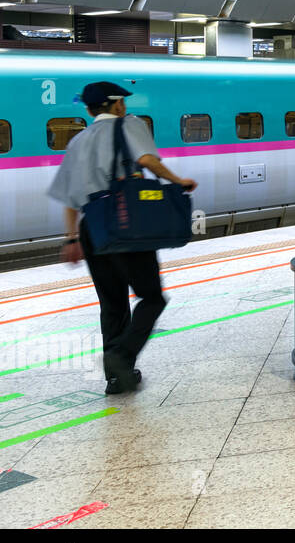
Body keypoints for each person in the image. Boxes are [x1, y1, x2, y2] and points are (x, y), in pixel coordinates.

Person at [46, 82, 198, 394]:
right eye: (122, 102)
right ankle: (120, 356)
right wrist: (179, 180)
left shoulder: (78, 140)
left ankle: (117, 379)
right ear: (116, 105)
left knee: (112, 303)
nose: (125, 107)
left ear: (90, 110)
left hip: (92, 227)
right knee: (152, 297)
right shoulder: (130, 125)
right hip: (126, 223)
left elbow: (69, 196)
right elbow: (147, 161)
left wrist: (71, 239)